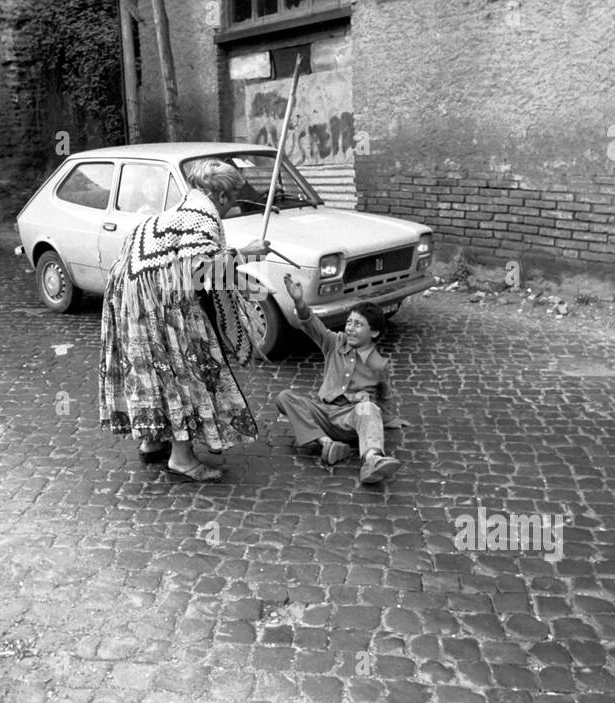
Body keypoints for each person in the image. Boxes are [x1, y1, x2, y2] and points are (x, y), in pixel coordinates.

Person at [99, 158, 271, 482]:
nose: (231, 207)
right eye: (232, 200)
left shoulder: (186, 206)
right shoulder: (202, 214)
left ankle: (153, 441)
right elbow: (200, 272)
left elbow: (191, 257)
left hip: (131, 293)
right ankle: (182, 459)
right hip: (157, 300)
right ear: (221, 196)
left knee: (150, 366)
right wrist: (247, 254)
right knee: (184, 368)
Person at [275, 275, 405, 486]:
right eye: (349, 322)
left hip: (351, 420)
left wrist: (389, 420)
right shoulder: (333, 343)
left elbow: (385, 396)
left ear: (374, 332)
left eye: (358, 325)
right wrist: (299, 301)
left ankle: (372, 460)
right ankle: (328, 444)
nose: (350, 328)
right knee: (285, 397)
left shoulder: (379, 364)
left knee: (369, 409)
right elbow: (312, 325)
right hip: (324, 414)